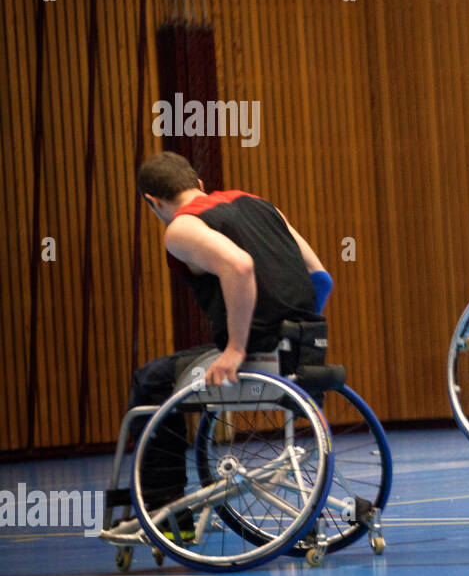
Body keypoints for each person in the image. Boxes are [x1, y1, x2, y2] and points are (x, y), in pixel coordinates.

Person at [123, 151, 329, 535]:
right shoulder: (261, 204)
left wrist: (237, 348)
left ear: (154, 202)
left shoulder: (181, 228)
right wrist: (300, 333)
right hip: (305, 349)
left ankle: (168, 517)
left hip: (257, 354)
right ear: (198, 184)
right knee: (167, 372)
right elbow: (320, 276)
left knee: (151, 380)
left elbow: (239, 266)